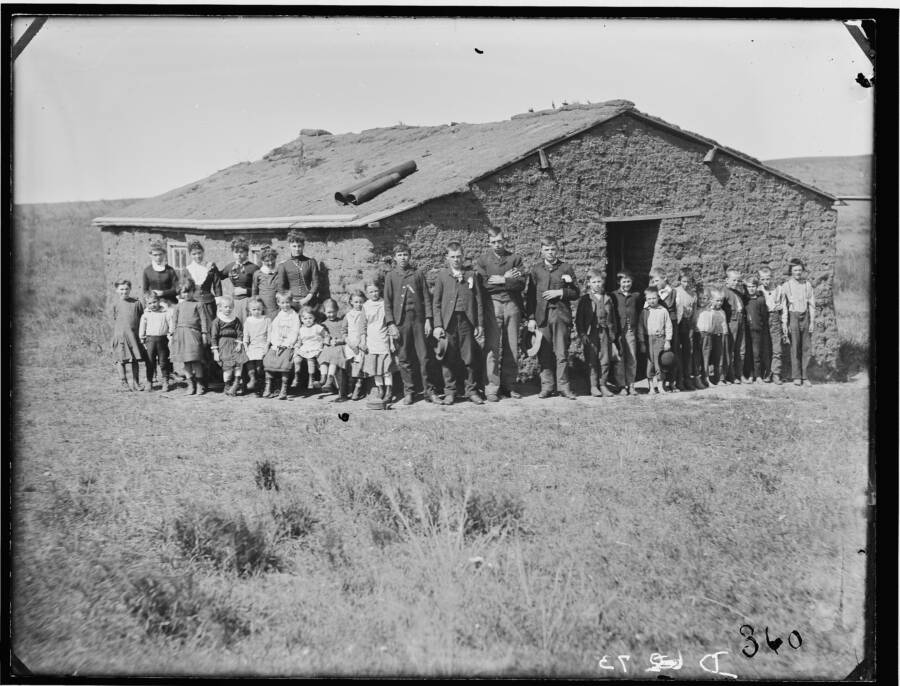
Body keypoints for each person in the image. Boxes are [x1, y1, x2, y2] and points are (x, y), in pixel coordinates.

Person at [525, 235, 579, 399]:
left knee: (561, 353)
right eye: (547, 249)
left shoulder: (566, 268)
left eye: (553, 249)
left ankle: (563, 387)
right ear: (541, 251)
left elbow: (576, 292)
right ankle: (547, 386)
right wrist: (532, 318)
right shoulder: (536, 270)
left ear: (557, 249)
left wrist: (561, 292)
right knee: (544, 353)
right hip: (542, 317)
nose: (550, 252)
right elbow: (530, 296)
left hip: (560, 315)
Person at [474, 228, 526, 402]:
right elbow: (484, 285)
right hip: (493, 304)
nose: (497, 245)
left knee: (512, 346)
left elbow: (521, 284)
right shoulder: (483, 261)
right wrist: (508, 278)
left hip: (512, 304)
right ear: (489, 242)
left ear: (505, 241)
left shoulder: (515, 259)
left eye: (500, 241)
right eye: (494, 241)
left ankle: (509, 385)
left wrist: (502, 279)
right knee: (492, 347)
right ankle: (491, 387)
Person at [383, 243, 438, 405]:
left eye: (405, 254)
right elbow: (387, 302)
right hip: (401, 322)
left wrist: (428, 319)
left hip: (419, 322)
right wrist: (391, 324)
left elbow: (427, 298)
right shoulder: (391, 276)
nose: (403, 258)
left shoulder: (418, 274)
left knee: (425, 357)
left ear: (410, 256)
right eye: (399, 255)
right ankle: (409, 391)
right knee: (404, 357)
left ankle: (429, 391)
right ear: (395, 257)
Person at [432, 242, 485, 405]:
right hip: (449, 322)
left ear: (463, 257)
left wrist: (479, 323)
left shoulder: (471, 274)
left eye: (458, 256)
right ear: (447, 258)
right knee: (448, 357)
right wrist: (438, 325)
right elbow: (437, 303)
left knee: (469, 357)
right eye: (452, 257)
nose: (456, 260)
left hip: (466, 322)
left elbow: (478, 300)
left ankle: (471, 390)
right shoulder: (442, 276)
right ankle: (450, 391)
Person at [575, 268, 618, 397]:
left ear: (603, 282)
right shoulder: (585, 299)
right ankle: (593, 386)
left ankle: (603, 385)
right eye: (594, 282)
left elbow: (613, 318)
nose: (597, 284)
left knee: (604, 359)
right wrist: (582, 334)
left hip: (604, 332)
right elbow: (579, 319)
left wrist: (612, 333)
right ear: (589, 283)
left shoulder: (608, 299)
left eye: (599, 281)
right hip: (591, 332)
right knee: (592, 359)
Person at [169, 278, 211, 395]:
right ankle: (190, 385)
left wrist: (204, 334)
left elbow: (203, 320)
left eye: (189, 291)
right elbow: (174, 321)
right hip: (180, 335)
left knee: (196, 361)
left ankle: (199, 385)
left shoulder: (199, 304)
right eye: (183, 292)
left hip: (194, 334)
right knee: (186, 363)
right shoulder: (177, 307)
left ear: (193, 291)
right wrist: (172, 336)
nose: (186, 294)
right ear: (180, 293)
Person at [781, 258, 816, 386]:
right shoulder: (786, 286)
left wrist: (812, 321)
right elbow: (784, 306)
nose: (798, 272)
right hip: (793, 317)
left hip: (805, 316)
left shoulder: (807, 285)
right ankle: (796, 376)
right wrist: (785, 323)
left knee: (806, 347)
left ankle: (805, 376)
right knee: (795, 347)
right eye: (795, 270)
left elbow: (812, 304)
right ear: (791, 271)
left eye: (800, 270)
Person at [360, 280, 397, 403]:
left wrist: (391, 342)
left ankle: (389, 391)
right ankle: (380, 389)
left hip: (383, 338)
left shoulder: (384, 304)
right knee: (376, 368)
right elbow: (363, 325)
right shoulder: (365, 306)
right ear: (367, 293)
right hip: (371, 340)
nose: (374, 294)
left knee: (386, 368)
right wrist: (363, 340)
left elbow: (390, 324)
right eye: (371, 292)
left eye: (376, 291)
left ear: (380, 290)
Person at [109, 280, 147, 391]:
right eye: (121, 289)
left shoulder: (137, 303)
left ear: (130, 289)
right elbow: (114, 319)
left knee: (134, 359)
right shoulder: (115, 304)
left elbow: (141, 317)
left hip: (133, 336)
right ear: (117, 290)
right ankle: (123, 382)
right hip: (120, 335)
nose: (124, 291)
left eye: (126, 289)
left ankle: (136, 382)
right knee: (120, 360)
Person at [263, 291, 300, 399]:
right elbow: (274, 330)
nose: (285, 305)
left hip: (288, 344)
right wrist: (276, 342)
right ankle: (268, 387)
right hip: (277, 344)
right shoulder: (278, 315)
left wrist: (287, 343)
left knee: (285, 362)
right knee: (269, 359)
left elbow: (295, 331)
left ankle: (283, 389)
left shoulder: (294, 315)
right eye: (282, 303)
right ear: (278, 303)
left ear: (291, 302)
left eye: (287, 302)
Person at [649, 267, 681, 391]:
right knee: (660, 355)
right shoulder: (654, 294)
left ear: (665, 278)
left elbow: (679, 311)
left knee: (672, 355)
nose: (655, 284)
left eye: (657, 281)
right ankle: (661, 383)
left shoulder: (673, 292)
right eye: (653, 281)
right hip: (658, 330)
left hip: (672, 327)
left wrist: (672, 325)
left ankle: (672, 382)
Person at [637, 286, 673, 393]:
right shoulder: (644, 312)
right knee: (650, 363)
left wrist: (667, 340)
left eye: (654, 298)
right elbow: (640, 328)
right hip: (648, 340)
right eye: (649, 299)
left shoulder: (663, 311)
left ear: (658, 297)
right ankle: (651, 387)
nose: (652, 301)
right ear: (646, 299)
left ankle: (661, 386)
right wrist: (642, 342)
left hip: (660, 339)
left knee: (660, 363)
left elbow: (668, 326)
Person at [611, 271, 641, 396]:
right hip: (618, 331)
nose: (627, 284)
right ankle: (622, 386)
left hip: (630, 331)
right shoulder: (613, 295)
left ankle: (632, 385)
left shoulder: (636, 295)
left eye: (629, 281)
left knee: (632, 358)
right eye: (624, 281)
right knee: (619, 359)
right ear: (619, 282)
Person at [211, 295, 248, 396]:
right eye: (226, 307)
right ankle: (227, 385)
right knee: (227, 367)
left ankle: (236, 384)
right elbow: (214, 337)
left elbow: (240, 333)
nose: (228, 309)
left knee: (238, 363)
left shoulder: (235, 320)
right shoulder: (217, 321)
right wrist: (215, 351)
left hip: (235, 344)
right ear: (220, 308)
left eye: (230, 307)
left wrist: (240, 343)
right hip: (223, 345)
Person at [217, 237, 258, 323]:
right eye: (236, 252)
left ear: (247, 253)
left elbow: (261, 289)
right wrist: (211, 267)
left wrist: (246, 291)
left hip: (248, 302)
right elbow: (218, 276)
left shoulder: (253, 268)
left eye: (241, 252)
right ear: (233, 253)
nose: (239, 255)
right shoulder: (231, 266)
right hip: (234, 302)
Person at [277, 230, 320, 311]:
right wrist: (291, 301)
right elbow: (281, 286)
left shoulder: (311, 262)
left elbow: (316, 283)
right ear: (289, 246)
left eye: (299, 246)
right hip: (291, 302)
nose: (297, 249)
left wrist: (307, 298)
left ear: (303, 246)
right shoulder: (283, 265)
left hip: (309, 300)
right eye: (294, 246)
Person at [758, 266, 787, 384]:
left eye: (768, 279)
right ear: (759, 279)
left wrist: (784, 323)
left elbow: (784, 307)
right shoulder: (759, 290)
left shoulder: (779, 289)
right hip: (763, 320)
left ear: (772, 277)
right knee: (765, 348)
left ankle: (776, 373)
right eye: (763, 279)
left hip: (775, 319)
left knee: (777, 348)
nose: (766, 282)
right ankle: (767, 372)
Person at [139, 292, 171, 392]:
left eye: (154, 302)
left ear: (159, 301)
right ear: (146, 304)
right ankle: (149, 382)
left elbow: (171, 324)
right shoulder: (146, 314)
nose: (153, 305)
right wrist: (142, 338)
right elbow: (142, 327)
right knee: (150, 362)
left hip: (162, 340)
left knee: (163, 362)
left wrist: (171, 336)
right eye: (150, 303)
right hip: (150, 340)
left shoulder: (165, 312)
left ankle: (165, 382)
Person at [318, 298, 349, 402]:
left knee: (337, 357)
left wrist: (339, 341)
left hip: (340, 346)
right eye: (328, 312)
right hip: (329, 347)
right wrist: (326, 341)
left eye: (333, 312)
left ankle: (342, 393)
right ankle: (324, 380)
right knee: (324, 355)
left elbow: (346, 335)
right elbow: (322, 337)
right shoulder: (323, 324)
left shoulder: (342, 322)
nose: (330, 314)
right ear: (324, 312)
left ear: (337, 310)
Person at [696, 288, 728, 384]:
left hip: (708, 335)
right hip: (697, 335)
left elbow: (713, 323)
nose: (702, 300)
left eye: (704, 298)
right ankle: (698, 379)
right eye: (700, 298)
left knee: (707, 358)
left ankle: (708, 378)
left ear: (709, 299)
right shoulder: (697, 310)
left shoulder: (711, 311)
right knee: (697, 358)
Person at [722, 268, 747, 384]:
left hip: (741, 321)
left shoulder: (738, 293)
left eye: (738, 280)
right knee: (730, 349)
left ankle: (739, 373)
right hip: (732, 321)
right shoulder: (724, 292)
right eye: (733, 280)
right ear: (727, 280)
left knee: (741, 349)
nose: (736, 283)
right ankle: (730, 375)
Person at [674, 267, 698, 390]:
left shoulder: (693, 295)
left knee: (688, 352)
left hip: (688, 325)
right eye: (684, 281)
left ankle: (687, 378)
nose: (686, 284)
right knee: (677, 352)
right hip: (678, 324)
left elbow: (693, 312)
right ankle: (678, 380)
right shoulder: (675, 291)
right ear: (679, 280)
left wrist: (692, 327)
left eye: (688, 281)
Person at [742, 276, 769, 383]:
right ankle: (750, 375)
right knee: (748, 353)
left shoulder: (761, 300)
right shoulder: (745, 299)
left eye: (753, 286)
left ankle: (758, 375)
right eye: (749, 287)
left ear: (757, 287)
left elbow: (764, 316)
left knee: (757, 353)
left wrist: (761, 327)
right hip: (747, 331)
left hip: (757, 330)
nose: (751, 289)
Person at [241, 297, 270, 395]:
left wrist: (267, 345)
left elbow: (269, 335)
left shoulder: (266, 320)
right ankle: (252, 378)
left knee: (259, 366)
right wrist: (245, 346)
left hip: (263, 345)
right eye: (254, 309)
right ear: (249, 310)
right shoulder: (248, 321)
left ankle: (259, 384)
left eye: (259, 309)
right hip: (252, 345)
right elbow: (246, 336)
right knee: (249, 359)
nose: (256, 312)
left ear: (263, 309)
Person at [294, 306, 326, 391]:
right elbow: (300, 340)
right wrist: (297, 346)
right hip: (305, 347)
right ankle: (296, 377)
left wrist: (325, 342)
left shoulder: (317, 327)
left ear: (314, 318)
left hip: (315, 347)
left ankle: (311, 379)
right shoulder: (301, 329)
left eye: (310, 318)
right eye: (305, 318)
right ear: (301, 319)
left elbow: (325, 335)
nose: (308, 320)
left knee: (310, 360)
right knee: (296, 359)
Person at [344, 289, 368, 401]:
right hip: (350, 344)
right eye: (356, 302)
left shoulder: (365, 314)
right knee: (350, 367)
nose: (358, 304)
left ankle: (358, 389)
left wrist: (361, 343)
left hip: (361, 343)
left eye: (361, 302)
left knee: (360, 367)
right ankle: (350, 388)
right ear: (351, 302)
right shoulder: (348, 315)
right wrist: (349, 343)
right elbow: (343, 331)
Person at [252, 246, 281, 320]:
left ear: (275, 259)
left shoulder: (280, 272)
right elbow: (254, 292)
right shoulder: (258, 274)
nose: (270, 263)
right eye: (267, 261)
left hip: (277, 308)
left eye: (272, 260)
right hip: (263, 308)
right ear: (262, 261)